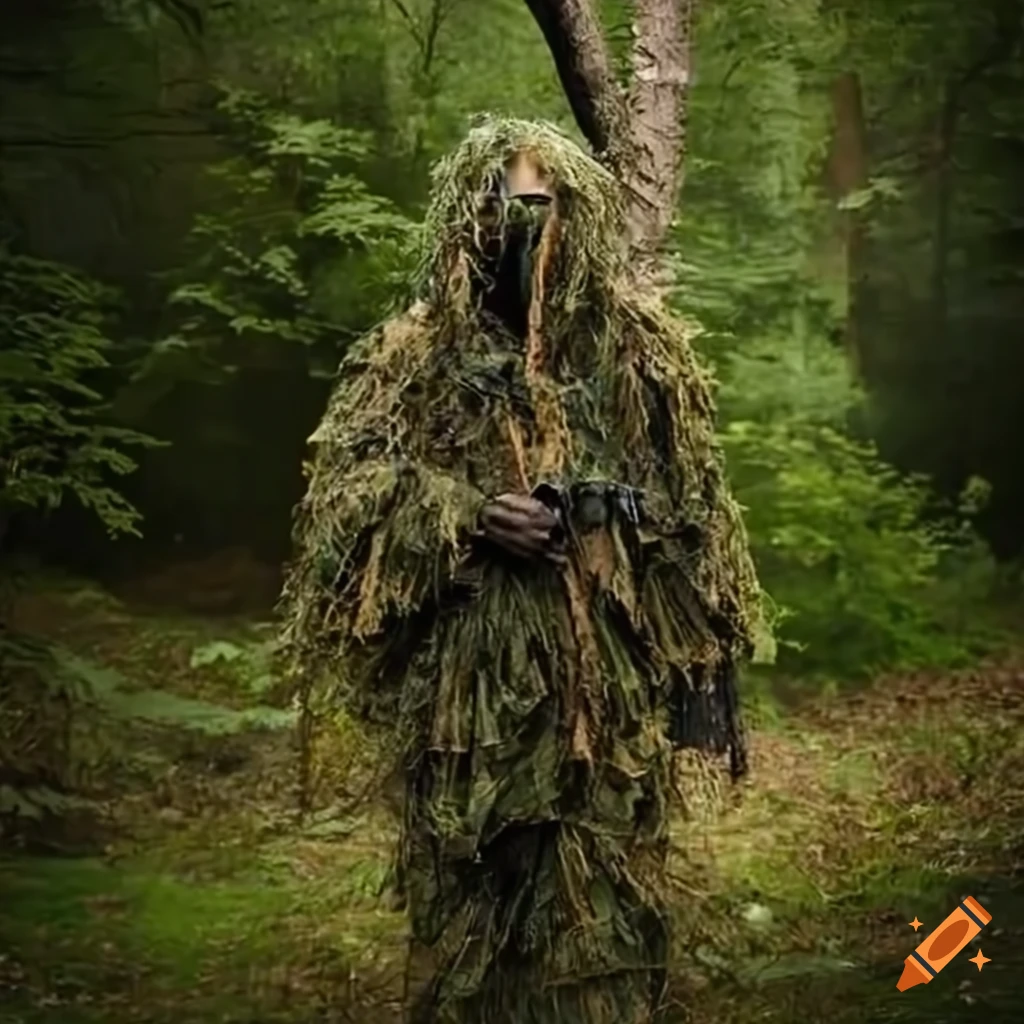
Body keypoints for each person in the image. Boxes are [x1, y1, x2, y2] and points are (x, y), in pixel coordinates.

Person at [278, 116, 767, 1024]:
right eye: (505, 205)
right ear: (468, 218)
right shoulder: (414, 355)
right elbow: (344, 502)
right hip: (465, 713)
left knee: (604, 922)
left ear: (575, 215)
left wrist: (699, 675)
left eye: (542, 205)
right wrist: (467, 516)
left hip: (607, 711)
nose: (522, 228)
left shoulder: (632, 352)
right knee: (475, 927)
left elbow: (696, 515)